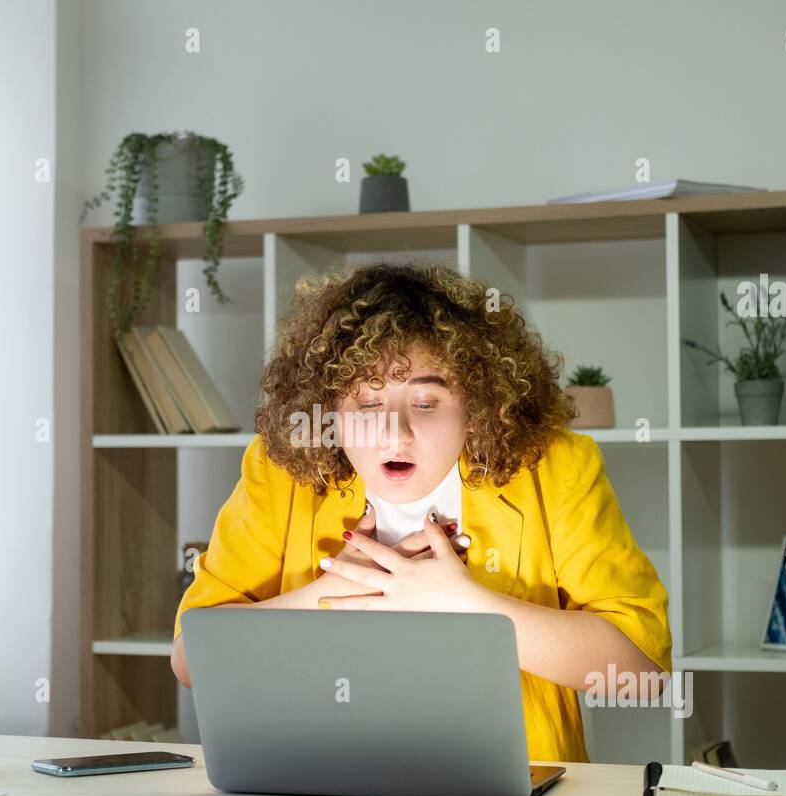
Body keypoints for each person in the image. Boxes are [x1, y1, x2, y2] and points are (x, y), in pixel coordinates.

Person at [171, 260, 671, 762]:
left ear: (477, 406)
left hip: (504, 785)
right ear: (329, 410)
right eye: (368, 404)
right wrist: (326, 599)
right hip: (321, 774)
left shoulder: (555, 467)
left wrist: (467, 604)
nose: (396, 433)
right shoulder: (280, 470)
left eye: (427, 402)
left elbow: (642, 673)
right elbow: (191, 661)